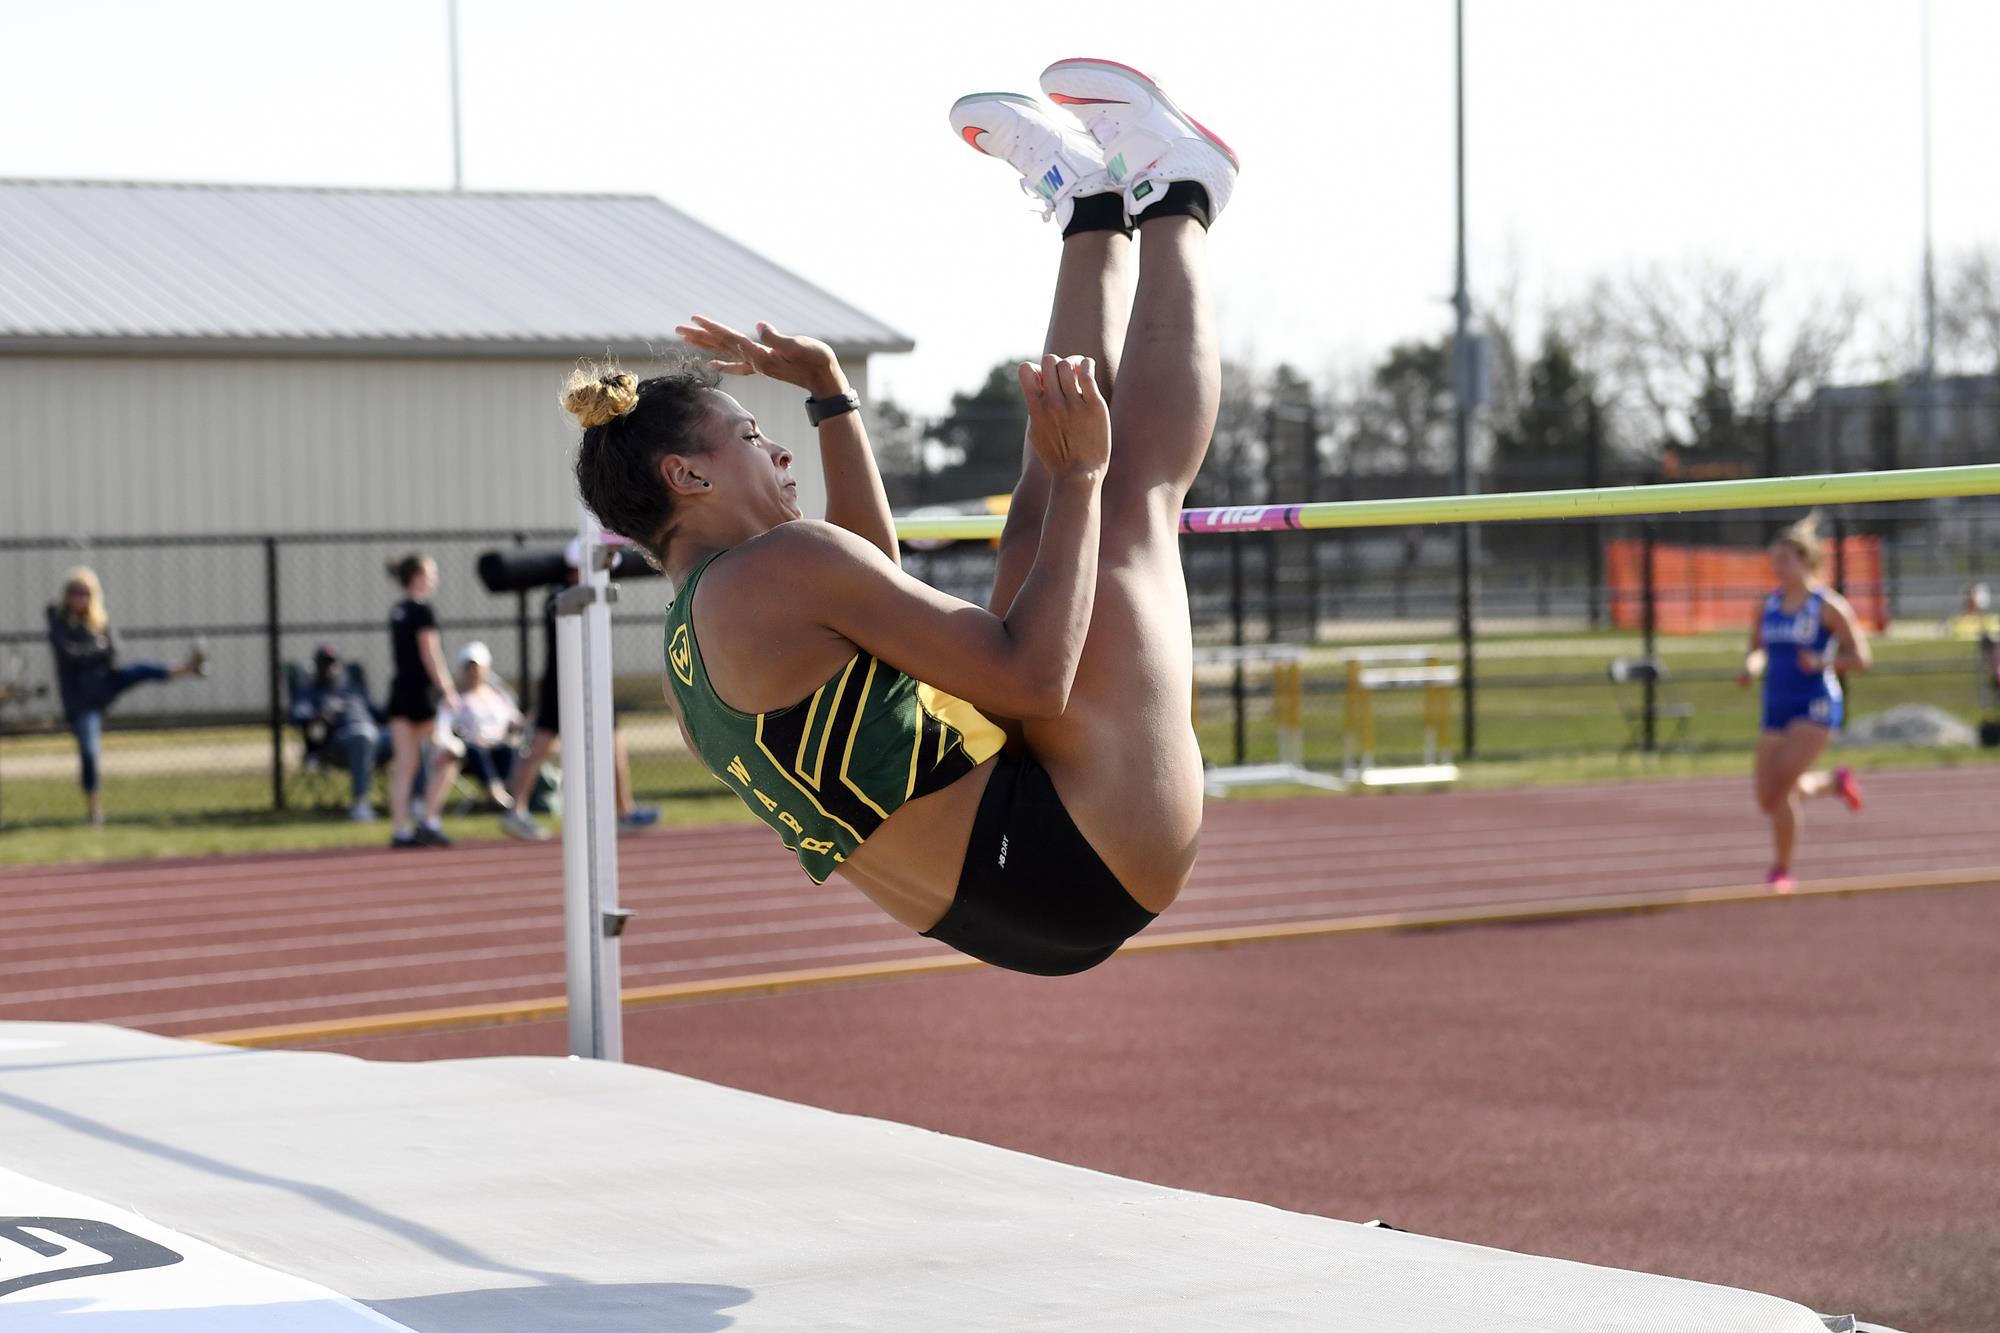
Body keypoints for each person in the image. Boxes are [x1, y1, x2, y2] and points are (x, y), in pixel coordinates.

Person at [565, 59, 1234, 975]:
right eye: (751, 434)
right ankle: (1186, 189)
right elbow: (1033, 679)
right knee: (1125, 506)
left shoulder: (696, 639)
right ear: (687, 474)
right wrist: (1084, 476)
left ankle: (1091, 209)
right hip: (1086, 848)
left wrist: (834, 397)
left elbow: (866, 582)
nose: (779, 452)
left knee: (1034, 533)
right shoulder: (773, 571)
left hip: (1022, 903)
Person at [1737, 514, 1872, 891]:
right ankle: (1833, 782)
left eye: (1784, 560)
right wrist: (1749, 667)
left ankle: (1781, 869)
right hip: (1775, 704)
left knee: (1781, 789)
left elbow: (1861, 658)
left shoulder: (1827, 606)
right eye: (1773, 560)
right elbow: (1758, 651)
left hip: (1814, 704)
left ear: (1805, 560)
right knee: (1768, 797)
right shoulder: (1767, 605)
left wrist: (1823, 662)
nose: (1777, 568)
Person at [499, 551, 661, 840]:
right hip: (563, 680)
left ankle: (624, 810)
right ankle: (516, 810)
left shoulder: (582, 594)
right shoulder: (563, 596)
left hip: (589, 676)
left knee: (612, 742)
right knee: (541, 746)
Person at [45, 566, 207, 826]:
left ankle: (187, 668)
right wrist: (95, 649)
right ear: (67, 596)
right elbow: (68, 654)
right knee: (89, 749)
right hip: (81, 699)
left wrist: (94, 650)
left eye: (85, 593)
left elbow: (114, 652)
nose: (80, 598)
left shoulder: (98, 621)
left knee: (140, 669)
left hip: (105, 683)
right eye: (75, 593)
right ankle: (94, 809)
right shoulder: (59, 623)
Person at [384, 553, 461, 848]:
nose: (434, 580)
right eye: (430, 574)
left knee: (405, 766)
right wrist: (448, 690)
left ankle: (400, 830)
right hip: (422, 697)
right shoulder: (423, 612)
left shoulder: (397, 611)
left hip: (400, 695)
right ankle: (429, 819)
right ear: (417, 576)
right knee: (451, 753)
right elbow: (430, 653)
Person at [291, 644, 391, 821]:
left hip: (375, 739)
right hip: (337, 745)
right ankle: (360, 805)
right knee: (362, 735)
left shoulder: (354, 689)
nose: (329, 668)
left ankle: (417, 802)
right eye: (324, 663)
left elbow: (381, 715)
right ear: (316, 667)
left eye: (332, 663)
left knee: (413, 736)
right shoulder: (309, 692)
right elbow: (298, 716)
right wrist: (321, 715)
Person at [449, 641, 524, 809]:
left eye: (477, 667)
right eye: (469, 667)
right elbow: (451, 726)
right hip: (471, 750)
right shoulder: (456, 698)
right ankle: (495, 794)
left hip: (499, 744)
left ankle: (506, 792)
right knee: (478, 750)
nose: (473, 672)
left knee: (509, 749)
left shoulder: (498, 695)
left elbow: (515, 720)